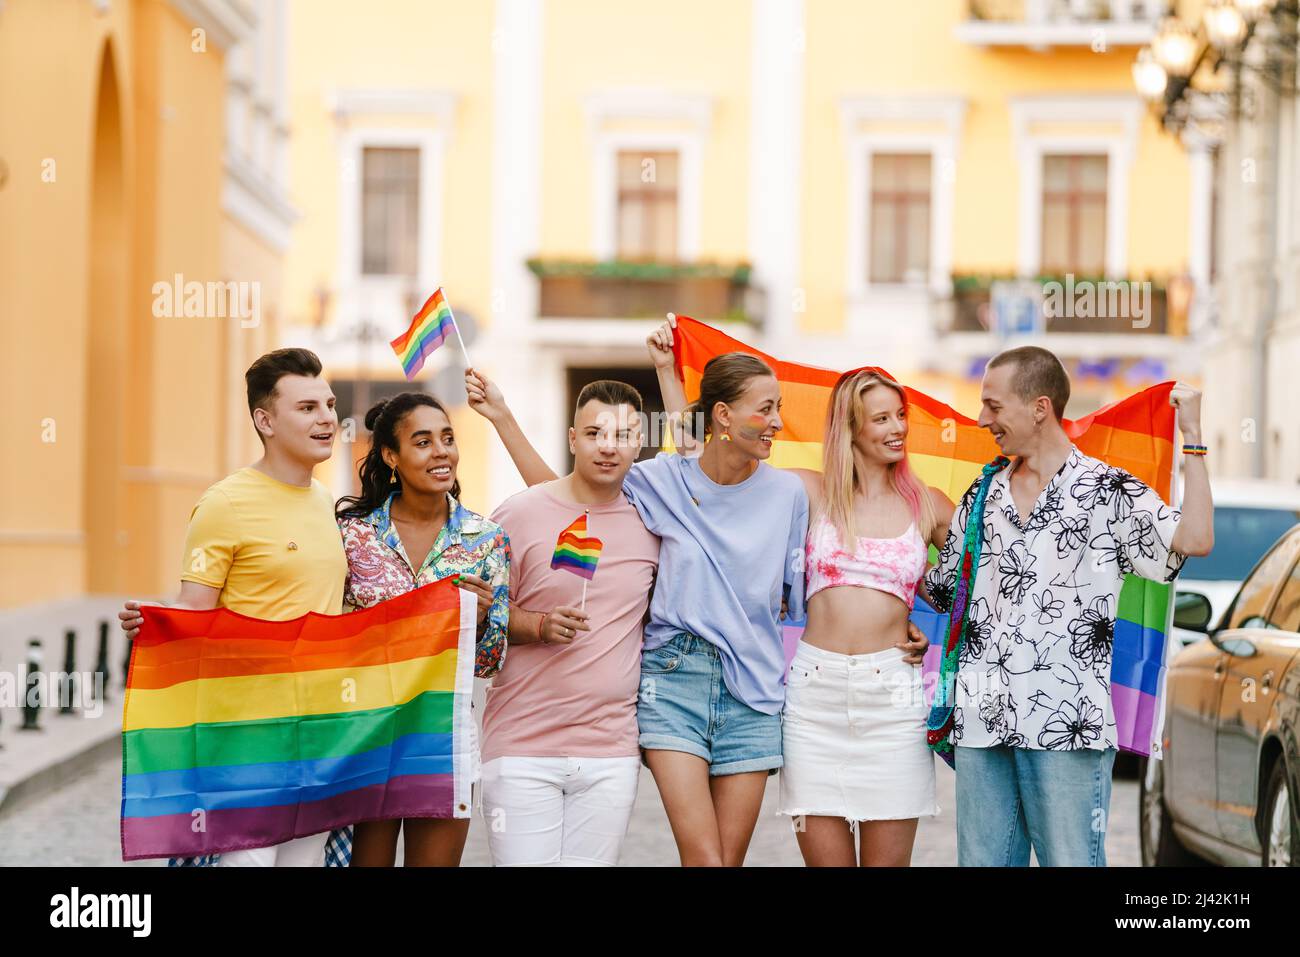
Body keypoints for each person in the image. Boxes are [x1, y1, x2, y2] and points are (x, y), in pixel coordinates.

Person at [647, 318, 939, 866]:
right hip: (814, 692)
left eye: (901, 415)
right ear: (849, 428)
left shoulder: (931, 503)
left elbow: (985, 575)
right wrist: (668, 372)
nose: (897, 427)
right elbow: (701, 472)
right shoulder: (803, 490)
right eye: (881, 417)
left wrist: (925, 629)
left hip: (891, 697)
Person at [923, 346, 1214, 867]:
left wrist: (1192, 437)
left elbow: (1193, 538)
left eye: (993, 406)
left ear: (1039, 407)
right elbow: (944, 590)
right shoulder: (983, 493)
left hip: (1067, 723)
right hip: (981, 720)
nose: (982, 418)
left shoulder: (1109, 491)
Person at [119, 348, 349, 866]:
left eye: (329, 404)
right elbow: (195, 610)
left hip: (317, 736)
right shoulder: (225, 503)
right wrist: (155, 621)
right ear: (265, 420)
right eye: (307, 407)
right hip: (244, 739)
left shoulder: (327, 504)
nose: (327, 418)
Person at [471, 380, 660, 866]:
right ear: (573, 438)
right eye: (595, 432)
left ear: (639, 442)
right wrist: (536, 626)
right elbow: (475, 612)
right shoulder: (520, 512)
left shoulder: (652, 521)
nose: (608, 445)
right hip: (521, 747)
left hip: (610, 753)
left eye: (622, 434)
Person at [335, 391, 510, 867]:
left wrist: (479, 621)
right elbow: (327, 632)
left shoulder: (485, 539)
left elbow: (491, 660)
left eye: (448, 439)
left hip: (443, 736)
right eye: (423, 441)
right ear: (391, 456)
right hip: (364, 733)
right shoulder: (352, 535)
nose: (441, 452)